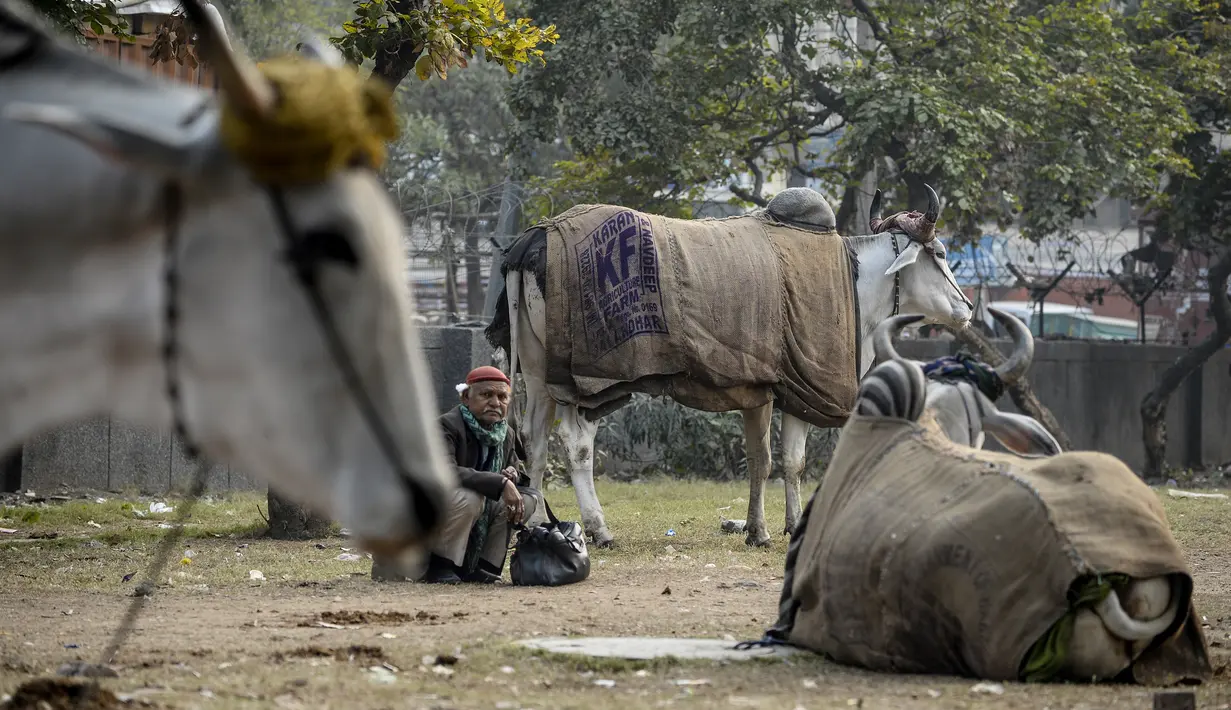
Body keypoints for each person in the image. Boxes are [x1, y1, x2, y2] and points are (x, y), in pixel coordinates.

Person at [371, 365, 544, 584]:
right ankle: (440, 566)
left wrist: (511, 474)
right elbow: (445, 472)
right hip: (427, 513)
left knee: (526, 500)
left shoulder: (505, 433)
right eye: (486, 395)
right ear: (465, 397)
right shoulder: (446, 425)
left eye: (502, 397)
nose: (495, 403)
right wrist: (498, 482)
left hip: (469, 515)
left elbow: (515, 469)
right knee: (470, 498)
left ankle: (484, 567)